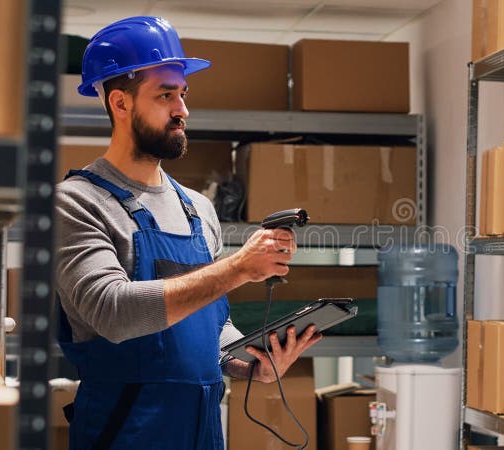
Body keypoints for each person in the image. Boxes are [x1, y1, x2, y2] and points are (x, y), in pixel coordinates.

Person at [55, 16, 321, 450]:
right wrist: (237, 268)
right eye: (165, 95)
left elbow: (211, 326)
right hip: (124, 435)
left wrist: (248, 365)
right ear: (120, 103)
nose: (182, 110)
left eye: (183, 93)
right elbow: (111, 311)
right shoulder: (77, 202)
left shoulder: (197, 208)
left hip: (202, 435)